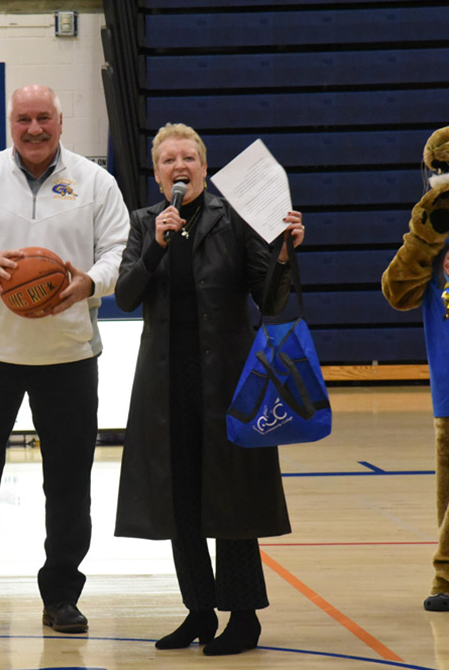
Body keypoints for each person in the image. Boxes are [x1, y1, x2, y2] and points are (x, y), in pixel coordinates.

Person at [0, 84, 129, 634]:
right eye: (23, 119)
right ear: (9, 124)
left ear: (61, 124)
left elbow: (120, 251)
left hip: (68, 354)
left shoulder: (96, 182)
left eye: (44, 118)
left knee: (68, 481)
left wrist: (90, 282)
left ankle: (62, 593)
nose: (34, 128)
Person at [114, 123, 304, 655]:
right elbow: (126, 295)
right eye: (169, 159)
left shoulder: (235, 219)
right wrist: (153, 249)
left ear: (204, 167)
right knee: (181, 500)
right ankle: (198, 612)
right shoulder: (144, 223)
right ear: (156, 175)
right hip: (166, 385)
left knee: (234, 499)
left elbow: (269, 299)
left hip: (227, 382)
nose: (180, 166)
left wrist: (285, 253)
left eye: (189, 157)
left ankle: (243, 618)